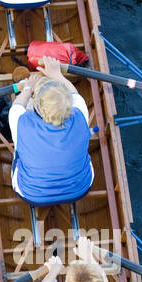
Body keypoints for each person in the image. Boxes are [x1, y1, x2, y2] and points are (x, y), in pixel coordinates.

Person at [9, 56, 92, 204]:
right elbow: (75, 94)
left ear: (37, 104)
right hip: (81, 189)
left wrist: (27, 88)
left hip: (31, 195)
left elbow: (17, 106)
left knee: (19, 147)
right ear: (68, 103)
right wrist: (57, 74)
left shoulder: (21, 122)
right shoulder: (80, 114)